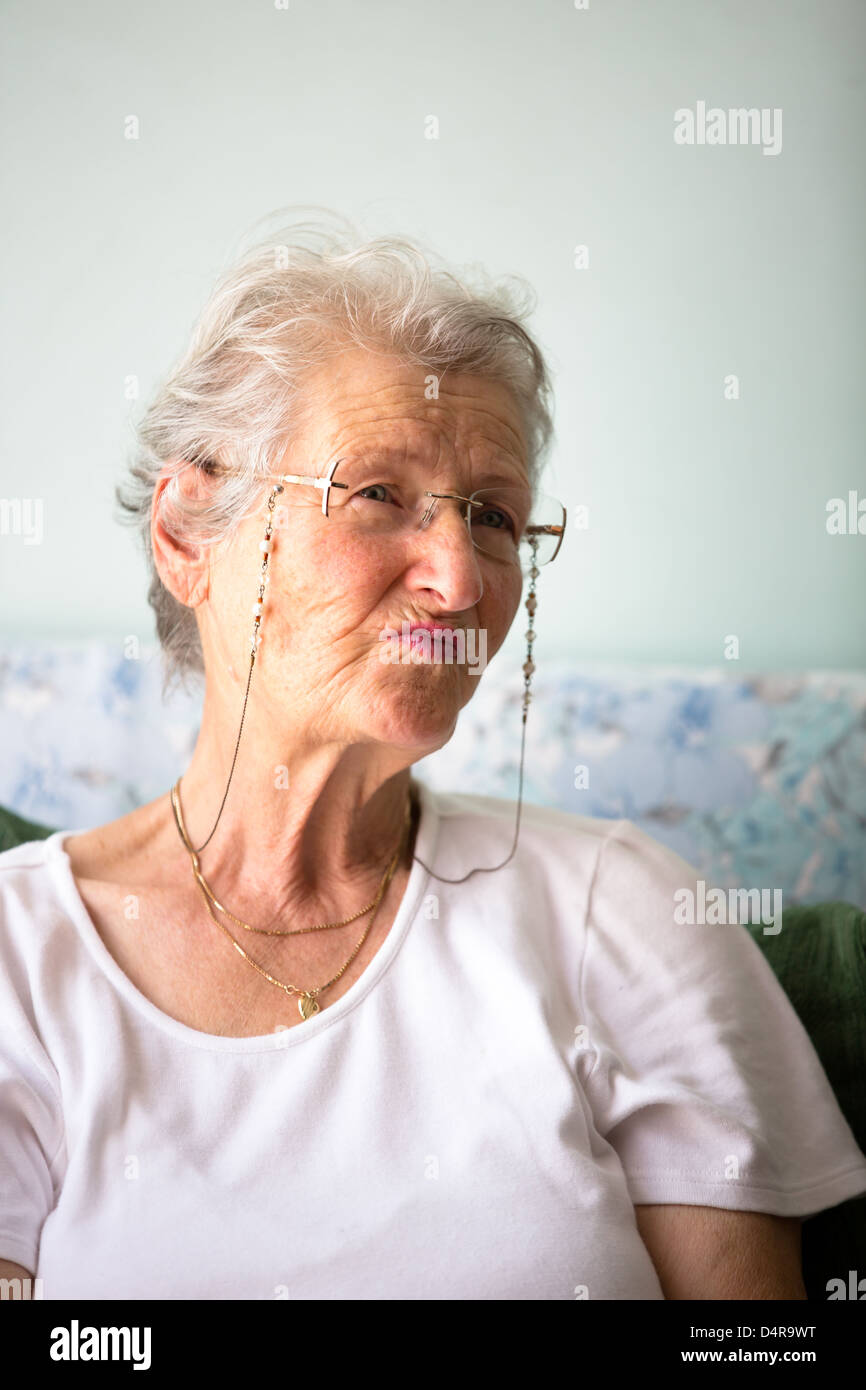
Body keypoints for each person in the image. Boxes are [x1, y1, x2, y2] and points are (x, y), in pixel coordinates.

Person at [1, 212, 864, 1300]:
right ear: (187, 535)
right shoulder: (20, 959)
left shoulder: (620, 913)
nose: (458, 583)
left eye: (494, 517)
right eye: (375, 494)